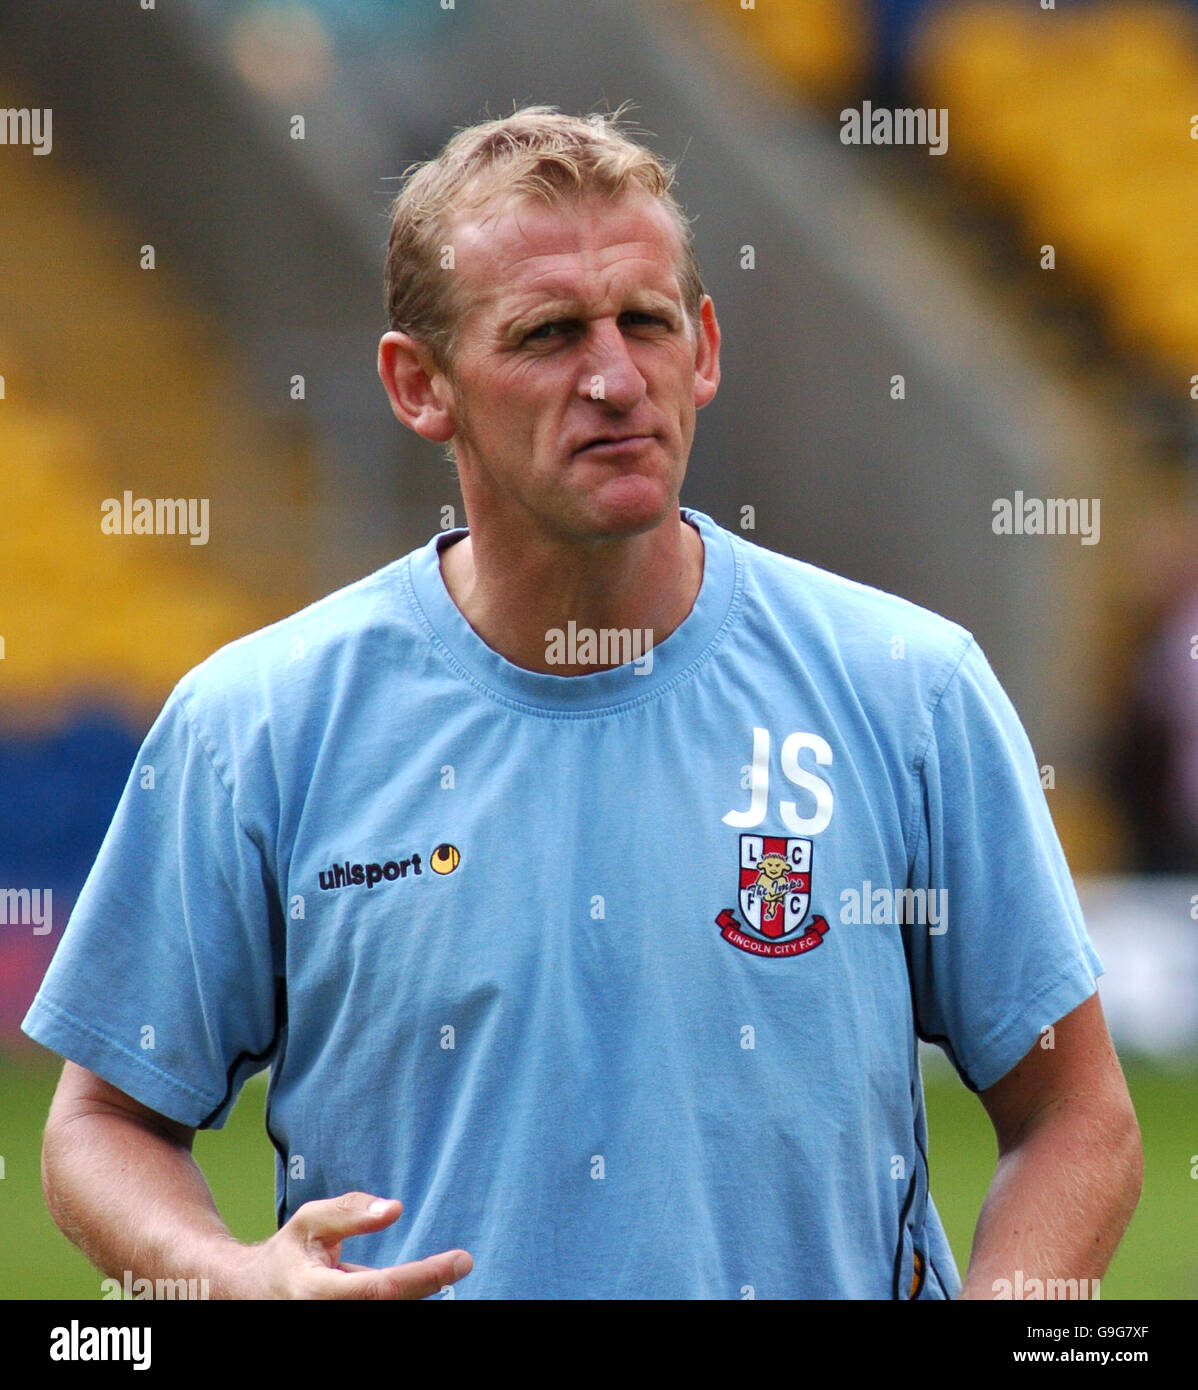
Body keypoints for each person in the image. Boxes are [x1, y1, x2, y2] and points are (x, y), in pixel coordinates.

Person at [24, 105, 1141, 1300]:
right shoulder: (257, 725)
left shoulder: (906, 689)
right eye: (548, 334)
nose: (614, 378)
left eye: (646, 323)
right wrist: (220, 1272)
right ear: (419, 384)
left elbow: (1075, 1113)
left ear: (703, 347)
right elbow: (98, 1124)